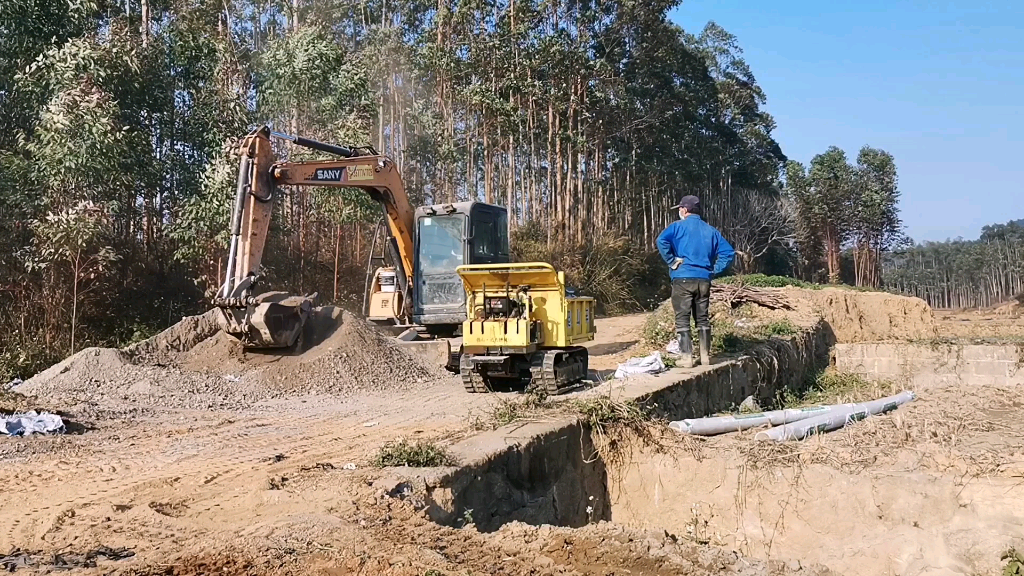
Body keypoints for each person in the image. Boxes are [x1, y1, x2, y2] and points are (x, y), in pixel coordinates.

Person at [656, 195, 735, 367]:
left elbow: (661, 240)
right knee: (702, 318)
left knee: (682, 318)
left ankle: (686, 358)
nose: (679, 211)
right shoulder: (711, 231)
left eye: (680, 208)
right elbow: (728, 253)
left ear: (684, 210)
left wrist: (671, 261)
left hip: (682, 278)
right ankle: (705, 357)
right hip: (703, 279)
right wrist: (714, 270)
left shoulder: (677, 227)